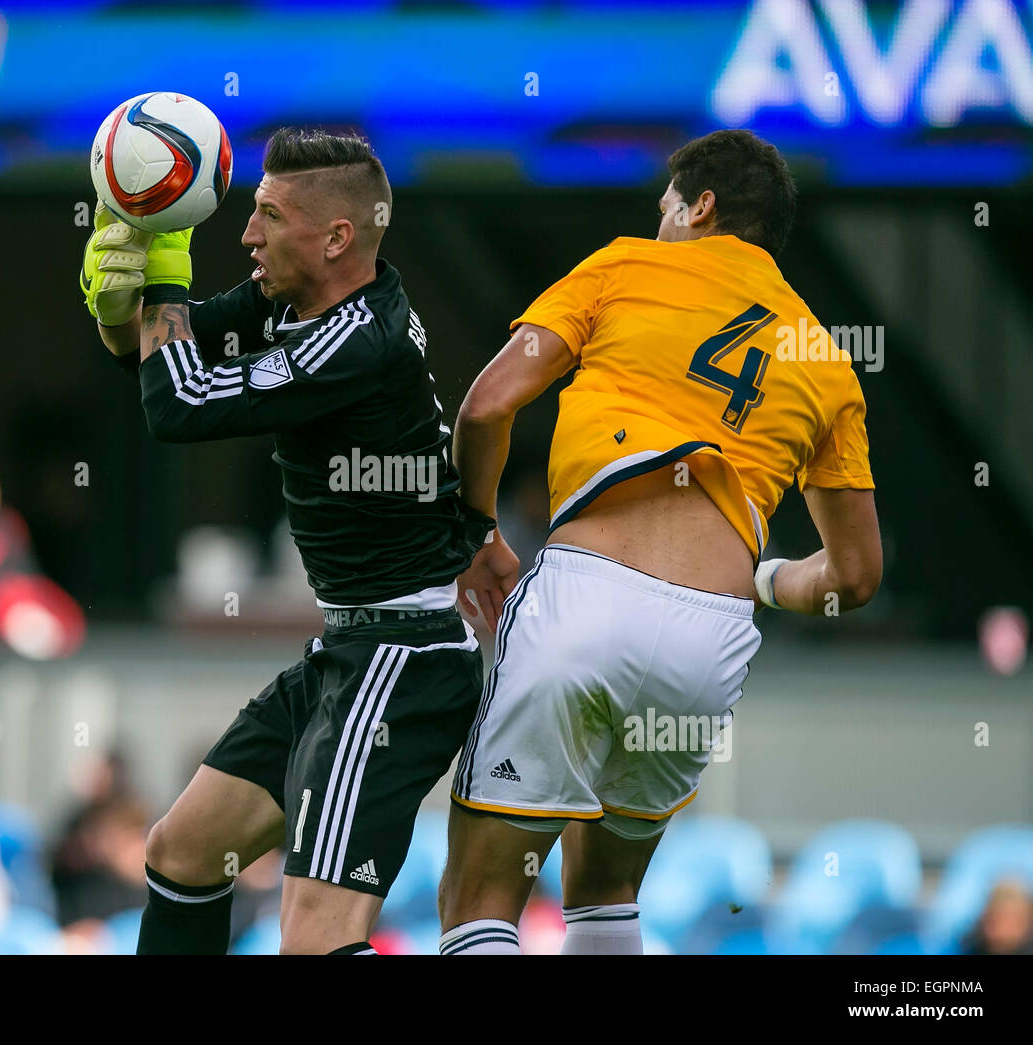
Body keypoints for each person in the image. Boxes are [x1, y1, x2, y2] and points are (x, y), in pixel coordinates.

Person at [438, 129, 882, 955]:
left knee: (480, 896)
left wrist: (476, 533)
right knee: (605, 894)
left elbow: (485, 407)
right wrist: (764, 578)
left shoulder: (624, 266)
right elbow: (855, 578)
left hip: (586, 597)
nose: (659, 222)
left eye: (665, 208)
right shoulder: (825, 357)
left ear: (700, 204)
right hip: (708, 640)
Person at [81, 128, 494, 954]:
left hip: (401, 660)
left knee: (312, 938)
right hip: (351, 646)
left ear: (337, 236)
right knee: (185, 850)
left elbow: (181, 405)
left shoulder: (357, 338)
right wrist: (112, 306)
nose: (246, 235)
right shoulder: (302, 299)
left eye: (266, 216)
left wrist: (162, 253)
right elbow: (163, 351)